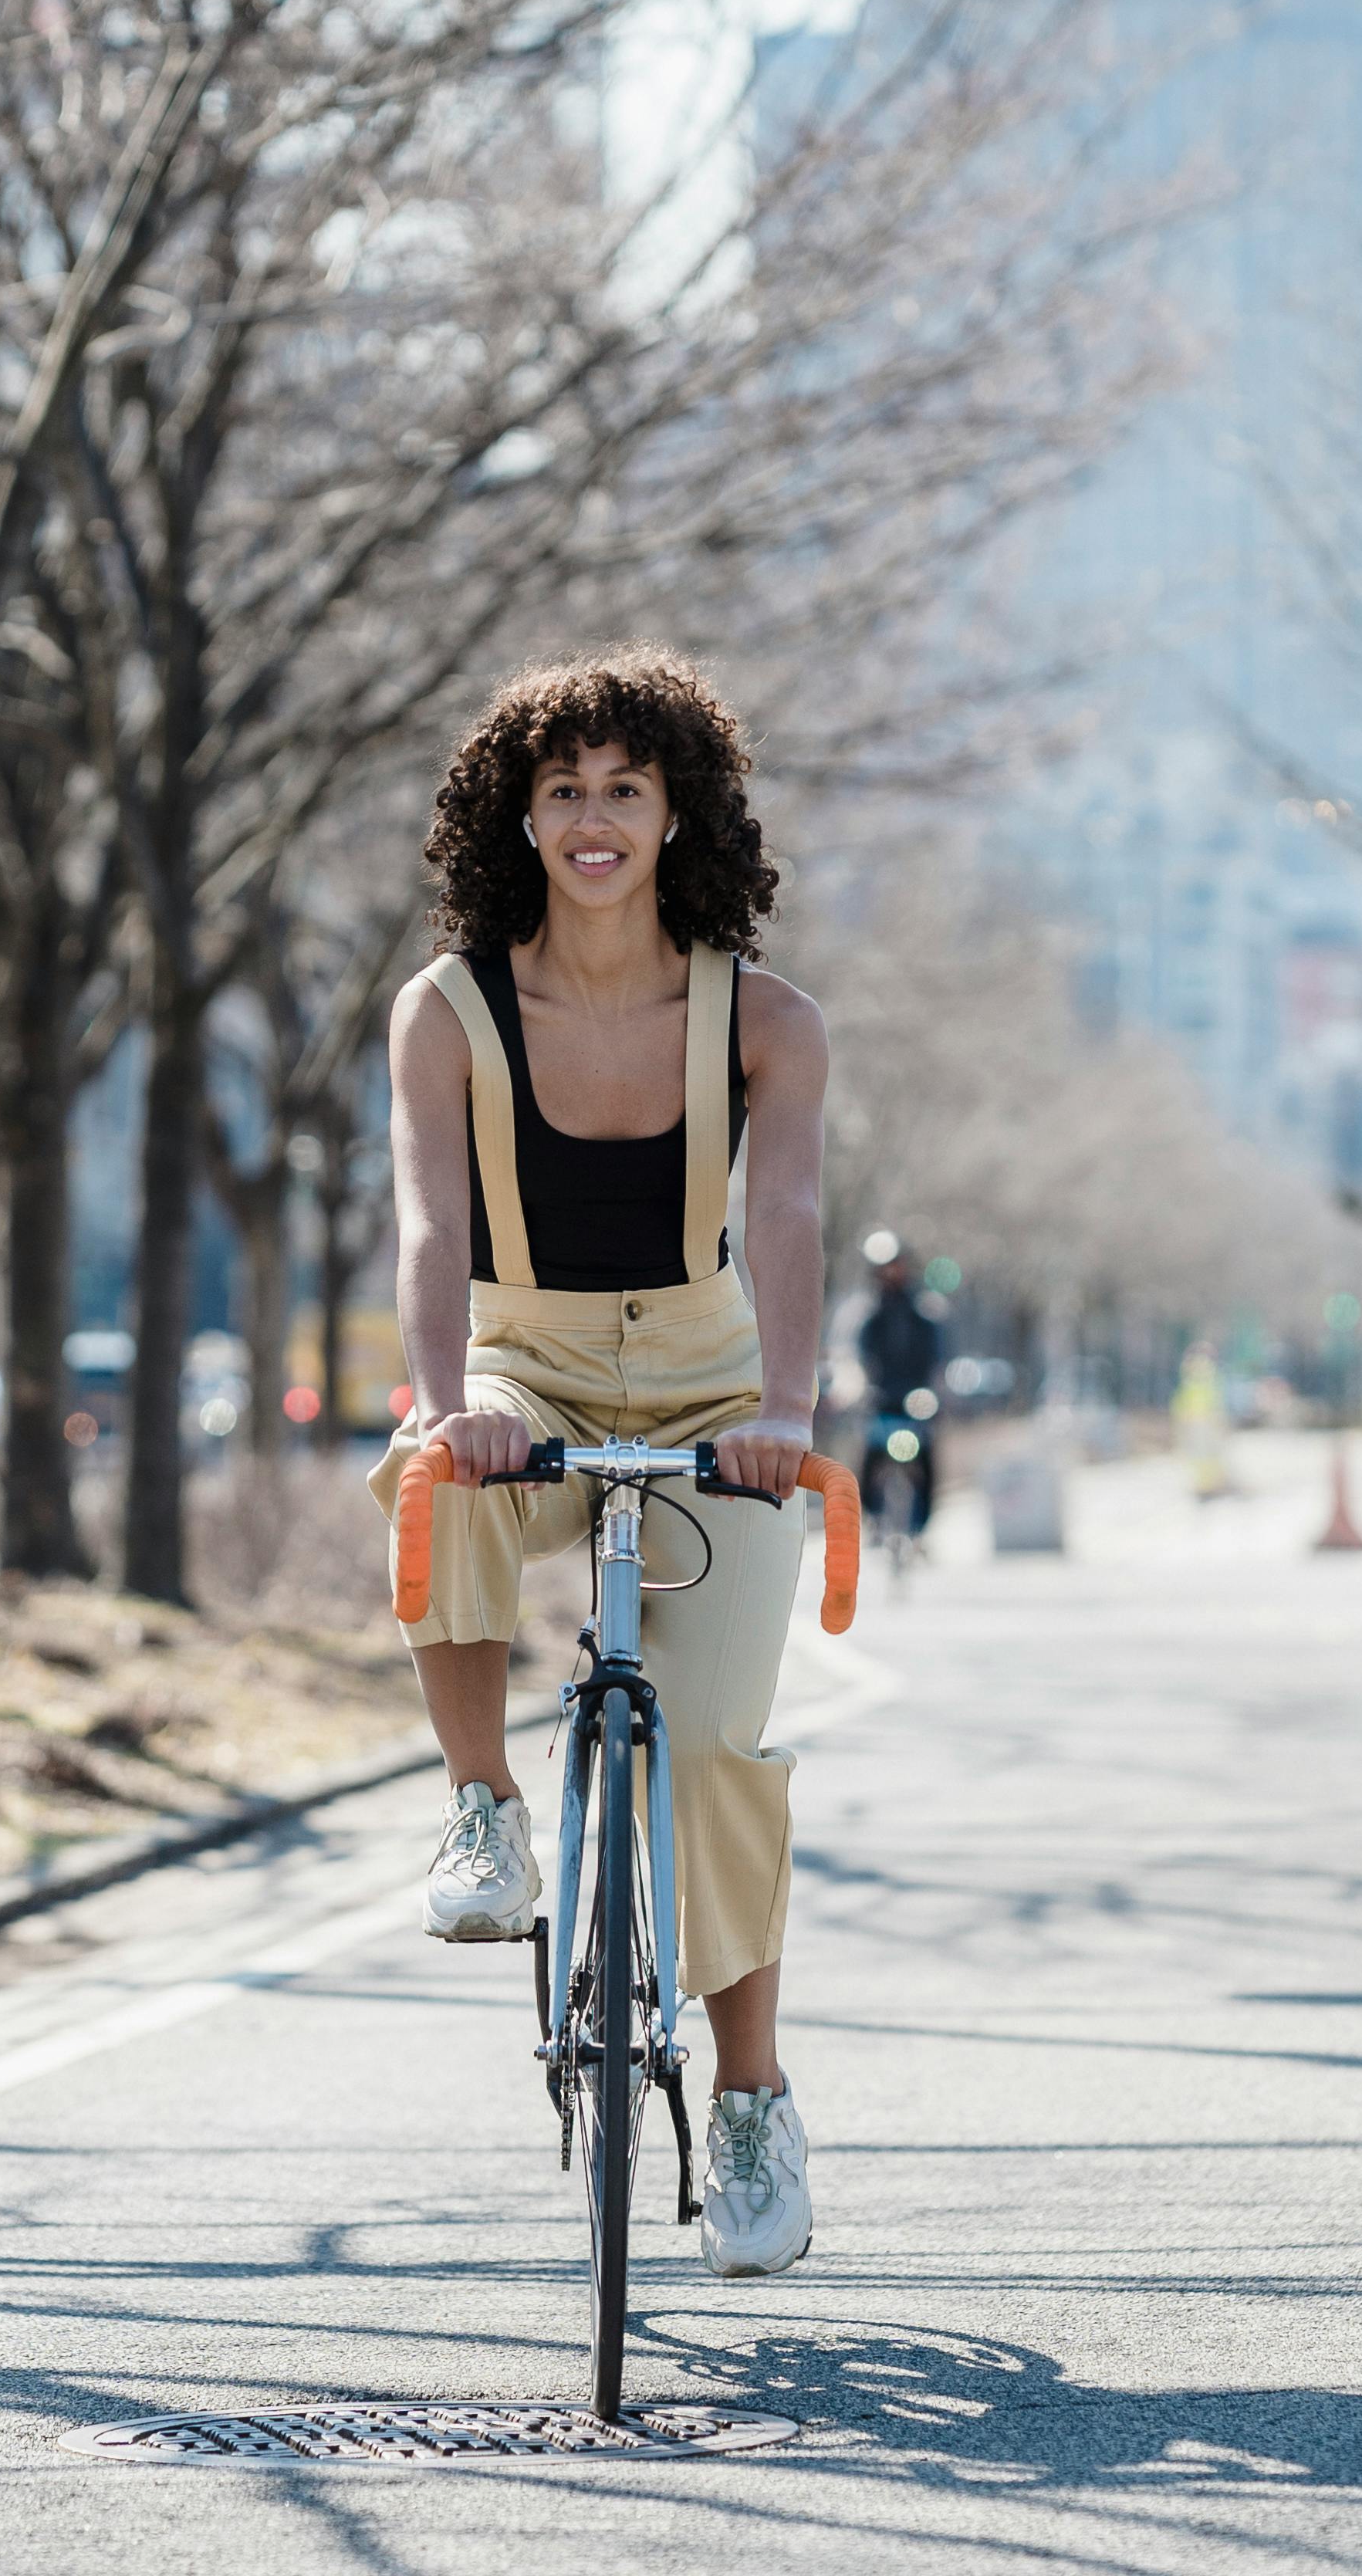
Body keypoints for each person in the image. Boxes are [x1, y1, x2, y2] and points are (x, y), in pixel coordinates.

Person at [373, 645, 832, 2280]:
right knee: (435, 1479)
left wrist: (786, 1410)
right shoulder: (449, 1010)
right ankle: (484, 1808)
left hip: (717, 1388)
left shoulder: (766, 1019)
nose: (592, 817)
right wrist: (451, 1402)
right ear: (518, 813)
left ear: (674, 812)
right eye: (562, 787)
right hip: (525, 1358)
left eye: (625, 788)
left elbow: (789, 1215)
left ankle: (753, 2096)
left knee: (710, 1750)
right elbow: (431, 1224)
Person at [852, 1232, 943, 1548]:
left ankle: (920, 1529)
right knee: (871, 1459)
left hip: (917, 1401)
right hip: (882, 1399)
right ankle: (873, 1517)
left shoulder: (922, 1309)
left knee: (926, 1463)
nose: (892, 1271)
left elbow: (935, 1356)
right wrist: (862, 1388)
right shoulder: (870, 1312)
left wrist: (936, 1392)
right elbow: (860, 1355)